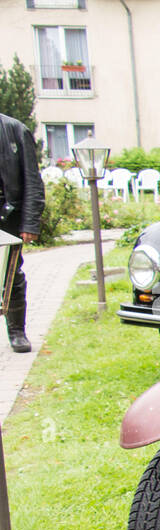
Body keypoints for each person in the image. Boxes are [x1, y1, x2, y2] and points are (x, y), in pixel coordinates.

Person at [0, 112, 43, 353]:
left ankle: (17, 331)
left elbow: (32, 180)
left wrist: (29, 223)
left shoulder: (15, 130)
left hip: (6, 215)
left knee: (10, 274)